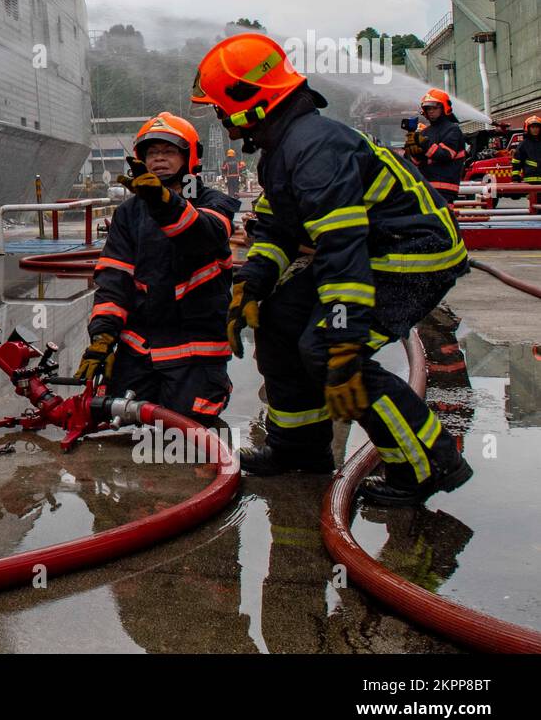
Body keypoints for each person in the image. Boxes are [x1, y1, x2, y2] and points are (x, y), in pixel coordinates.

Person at [192, 33, 472, 506]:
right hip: (375, 249)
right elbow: (281, 229)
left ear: (249, 103)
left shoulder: (314, 148)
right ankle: (299, 448)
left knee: (326, 351)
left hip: (415, 256)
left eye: (220, 106)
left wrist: (342, 341)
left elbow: (342, 248)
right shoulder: (286, 148)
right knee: (280, 322)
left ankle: (427, 462)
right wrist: (252, 286)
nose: (219, 117)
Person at [74, 112, 239, 423]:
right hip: (142, 349)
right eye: (152, 153)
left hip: (195, 349)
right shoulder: (129, 212)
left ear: (189, 156)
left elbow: (201, 235)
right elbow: (114, 278)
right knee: (118, 423)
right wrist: (103, 337)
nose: (159, 159)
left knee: (190, 430)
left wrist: (163, 202)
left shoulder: (212, 202)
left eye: (169, 151)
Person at [405, 89, 466, 204]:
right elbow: (414, 163)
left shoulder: (452, 130)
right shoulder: (424, 132)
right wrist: (412, 151)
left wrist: (423, 143)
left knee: (443, 220)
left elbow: (445, 155)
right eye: (428, 109)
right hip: (425, 187)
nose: (431, 111)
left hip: (445, 189)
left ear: (444, 108)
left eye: (434, 108)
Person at [511, 115, 541, 186]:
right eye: (532, 127)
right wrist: (515, 177)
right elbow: (516, 162)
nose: (535, 129)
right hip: (530, 180)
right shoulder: (523, 144)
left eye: (537, 127)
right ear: (528, 128)